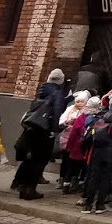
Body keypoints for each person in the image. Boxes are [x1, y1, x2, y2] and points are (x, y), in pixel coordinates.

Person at [9, 69, 68, 200]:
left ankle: (20, 184)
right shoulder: (58, 93)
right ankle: (30, 189)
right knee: (40, 160)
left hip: (33, 128)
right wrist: (54, 130)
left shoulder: (42, 90)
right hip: (44, 131)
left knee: (30, 158)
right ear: (61, 81)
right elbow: (57, 112)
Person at [82, 94, 112, 215]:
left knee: (93, 177)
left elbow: (89, 136)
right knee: (105, 179)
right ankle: (100, 205)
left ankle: (88, 205)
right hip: (111, 153)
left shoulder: (102, 118)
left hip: (97, 151)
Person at [55, 91, 89, 193]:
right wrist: (67, 122)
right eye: (77, 101)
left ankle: (72, 181)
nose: (79, 104)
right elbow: (61, 121)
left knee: (75, 163)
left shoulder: (85, 113)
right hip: (67, 139)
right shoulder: (70, 109)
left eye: (82, 102)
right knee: (66, 161)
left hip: (77, 142)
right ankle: (62, 180)